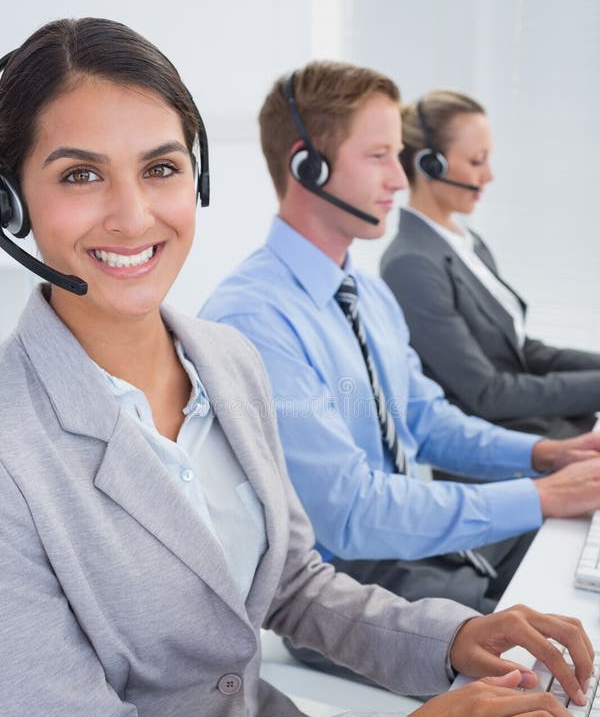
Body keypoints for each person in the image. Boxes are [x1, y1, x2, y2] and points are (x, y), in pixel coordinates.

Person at [0, 17, 593, 717]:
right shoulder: (13, 452)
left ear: (196, 182)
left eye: (161, 168)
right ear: (12, 200)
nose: (132, 215)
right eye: (80, 174)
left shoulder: (226, 360)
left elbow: (293, 583)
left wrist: (452, 639)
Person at [201, 60, 600, 636]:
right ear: (306, 166)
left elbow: (427, 420)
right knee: (561, 654)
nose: (399, 179)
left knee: (574, 583)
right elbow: (351, 514)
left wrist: (544, 456)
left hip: (409, 549)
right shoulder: (254, 321)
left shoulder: (367, 292)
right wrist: (539, 496)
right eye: (379, 156)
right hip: (342, 592)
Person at [380, 89, 600, 441]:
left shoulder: (466, 242)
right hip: (497, 444)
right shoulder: (411, 264)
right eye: (477, 161)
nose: (489, 175)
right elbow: (487, 392)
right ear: (428, 165)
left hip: (537, 425)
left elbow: (521, 350)